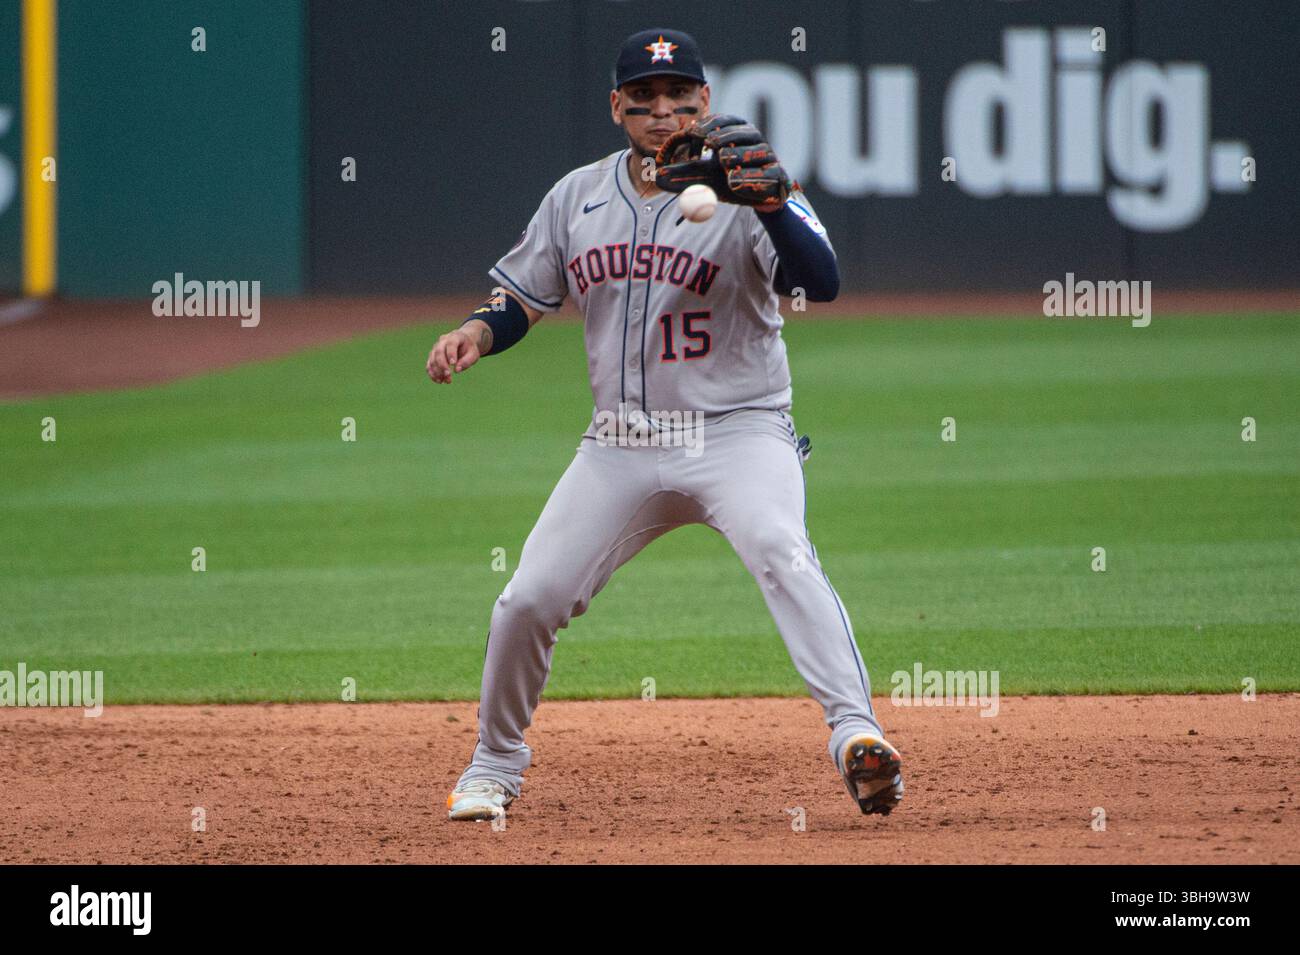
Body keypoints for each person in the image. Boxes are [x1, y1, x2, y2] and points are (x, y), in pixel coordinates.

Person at [427, 27, 904, 822]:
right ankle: (495, 761)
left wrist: (775, 201)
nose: (663, 114)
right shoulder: (576, 195)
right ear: (617, 107)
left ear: (704, 104)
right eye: (644, 101)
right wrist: (474, 333)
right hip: (620, 443)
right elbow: (521, 294)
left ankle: (858, 736)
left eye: (680, 100)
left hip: (740, 432)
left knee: (782, 552)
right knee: (526, 600)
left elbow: (821, 280)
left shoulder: (753, 188)